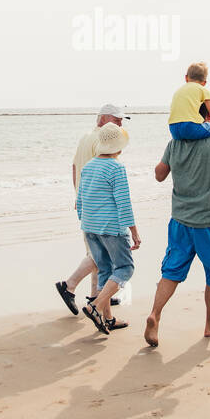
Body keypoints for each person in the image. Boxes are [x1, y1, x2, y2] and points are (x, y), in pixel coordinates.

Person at [145, 123, 210, 346]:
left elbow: (159, 175)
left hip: (179, 221)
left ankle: (155, 313)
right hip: (208, 223)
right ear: (205, 117)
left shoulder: (174, 144)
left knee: (171, 271)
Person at [55, 104, 126, 315]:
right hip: (100, 205)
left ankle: (98, 296)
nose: (121, 124)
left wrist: (79, 195)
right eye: (117, 119)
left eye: (122, 120)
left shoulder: (86, 137)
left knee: (96, 252)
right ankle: (69, 285)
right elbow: (106, 175)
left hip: (86, 202)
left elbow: (76, 167)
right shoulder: (104, 141)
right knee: (100, 253)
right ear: (103, 119)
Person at [75, 123, 140, 335]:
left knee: (105, 270)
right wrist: (134, 232)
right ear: (119, 147)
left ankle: (108, 318)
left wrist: (85, 223)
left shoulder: (88, 167)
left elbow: (80, 200)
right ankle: (95, 306)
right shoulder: (116, 168)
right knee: (125, 268)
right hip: (111, 228)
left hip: (90, 227)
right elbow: (124, 203)